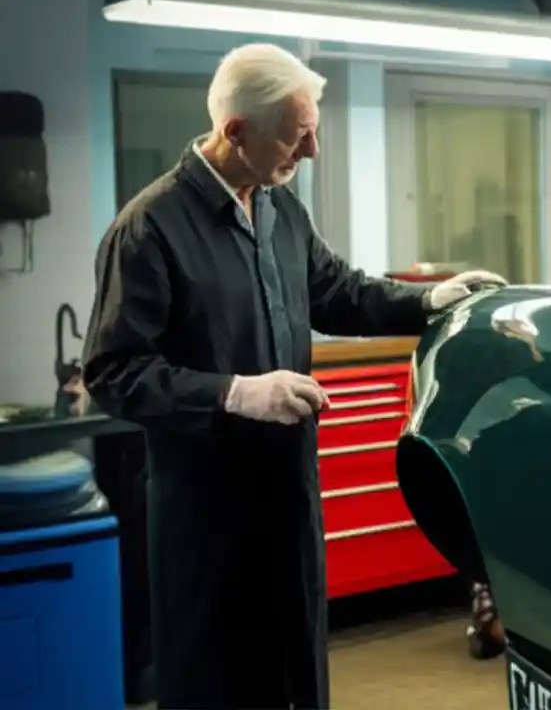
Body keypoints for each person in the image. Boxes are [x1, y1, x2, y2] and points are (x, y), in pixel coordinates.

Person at [81, 42, 506, 709]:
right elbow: (113, 371)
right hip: (206, 513)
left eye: (314, 131)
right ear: (235, 131)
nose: (311, 151)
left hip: (288, 492)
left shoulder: (280, 209)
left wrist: (428, 299)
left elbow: (337, 291)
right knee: (220, 680)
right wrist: (233, 393)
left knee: (297, 672)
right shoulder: (149, 229)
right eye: (296, 136)